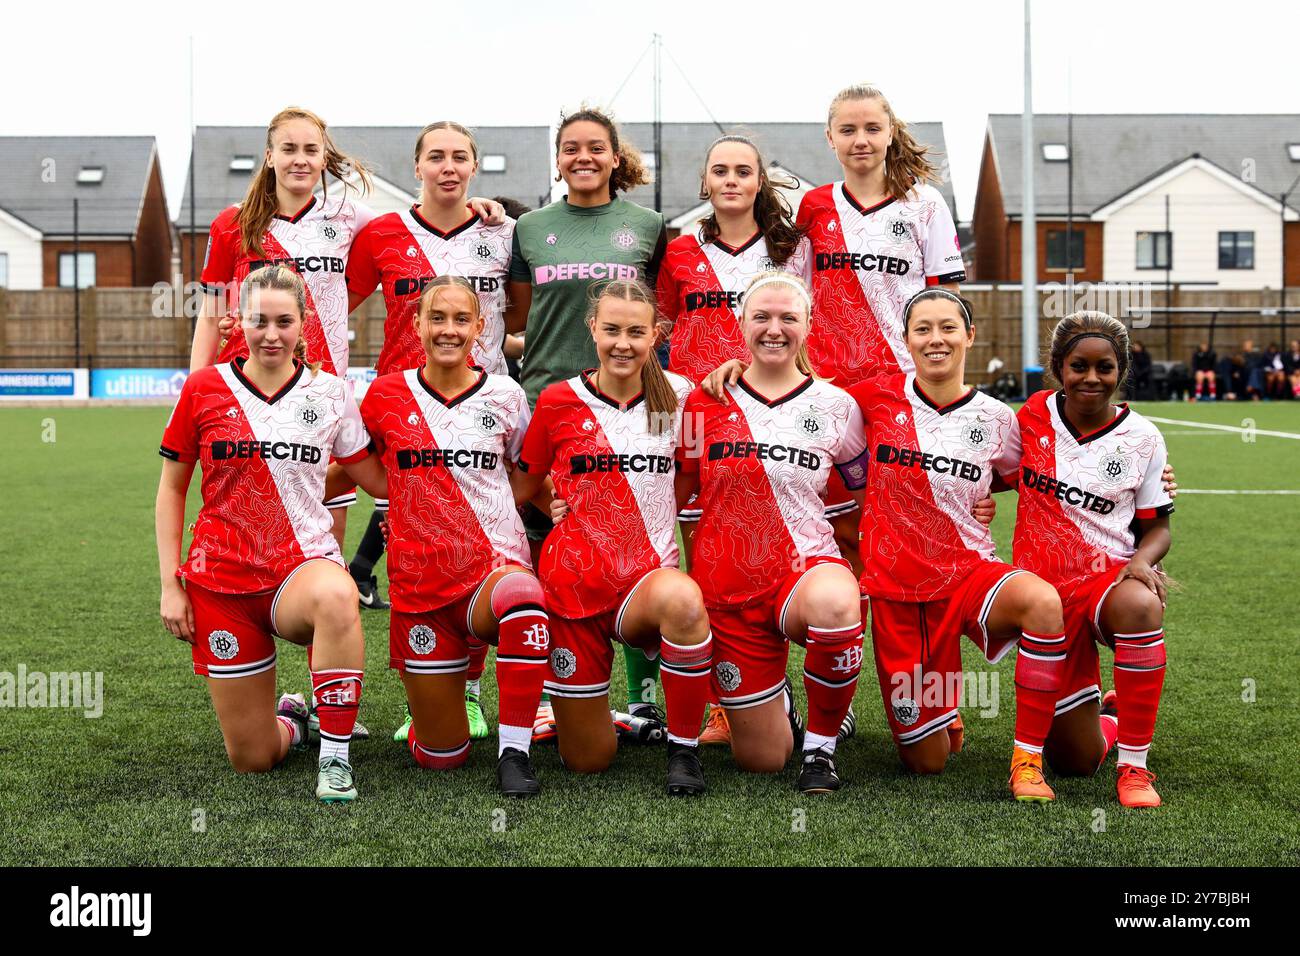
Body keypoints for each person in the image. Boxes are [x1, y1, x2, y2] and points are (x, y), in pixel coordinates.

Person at [157, 265, 388, 802]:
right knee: (253, 759)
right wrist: (172, 585)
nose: (271, 333)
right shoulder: (203, 388)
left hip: (300, 568)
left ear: (303, 324)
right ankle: (295, 723)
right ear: (238, 321)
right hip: (222, 579)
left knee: (337, 593)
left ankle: (335, 760)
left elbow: (371, 476)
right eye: (259, 320)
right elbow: (171, 490)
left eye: (284, 321)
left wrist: (461, 471)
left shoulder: (330, 393)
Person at [844, 289, 1068, 794]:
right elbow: (803, 402)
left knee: (1041, 602)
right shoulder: (872, 398)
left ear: (969, 335)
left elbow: (1029, 476)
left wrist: (1151, 479)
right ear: (906, 340)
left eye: (948, 327)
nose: (935, 339)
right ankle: (941, 711)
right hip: (899, 593)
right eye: (922, 329)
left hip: (969, 576)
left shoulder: (996, 418)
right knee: (928, 763)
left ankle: (1027, 761)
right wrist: (729, 371)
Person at [343, 121, 517, 739]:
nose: (448, 166)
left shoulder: (503, 234)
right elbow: (333, 306)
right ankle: (426, 683)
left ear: (474, 167)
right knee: (420, 545)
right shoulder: (382, 233)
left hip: (483, 407)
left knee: (484, 544)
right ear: (416, 166)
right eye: (435, 157)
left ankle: (471, 691)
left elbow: (519, 316)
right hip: (403, 410)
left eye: (460, 157)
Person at [506, 106, 669, 740]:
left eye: (595, 148)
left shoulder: (649, 225)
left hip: (635, 403)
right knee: (554, 549)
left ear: (613, 155)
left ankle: (646, 696)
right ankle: (555, 693)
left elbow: (663, 312)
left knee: (638, 546)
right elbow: (522, 316)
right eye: (571, 148)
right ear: (558, 158)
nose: (583, 157)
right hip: (551, 402)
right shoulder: (529, 228)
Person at [357, 276, 553, 797]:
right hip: (420, 586)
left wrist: (567, 508)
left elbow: (528, 472)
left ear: (480, 327)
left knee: (524, 598)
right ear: (416, 325)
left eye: (461, 319)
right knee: (442, 757)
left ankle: (515, 751)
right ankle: (454, 698)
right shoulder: (384, 396)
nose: (449, 330)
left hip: (492, 569)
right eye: (437, 318)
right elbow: (358, 466)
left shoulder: (507, 394)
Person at [513, 280, 711, 794]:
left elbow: (687, 475)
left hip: (647, 583)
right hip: (573, 587)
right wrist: (552, 500)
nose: (623, 343)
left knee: (685, 600)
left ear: (656, 335)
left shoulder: (680, 398)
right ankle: (621, 719)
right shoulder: (558, 400)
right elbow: (527, 478)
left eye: (637, 332)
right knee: (588, 761)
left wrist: (653, 509)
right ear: (592, 330)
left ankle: (684, 751)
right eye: (612, 330)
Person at [683, 272, 870, 794]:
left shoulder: (837, 406)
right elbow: (658, 477)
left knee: (836, 603)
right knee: (762, 760)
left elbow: (869, 492)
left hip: (803, 569)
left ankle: (821, 751)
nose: (774, 329)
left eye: (788, 318)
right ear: (740, 323)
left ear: (808, 326)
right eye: (761, 317)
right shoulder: (700, 401)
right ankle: (782, 703)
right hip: (727, 588)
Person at [655, 133, 813, 746]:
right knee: (703, 560)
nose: (730, 181)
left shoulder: (789, 250)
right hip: (697, 418)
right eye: (719, 170)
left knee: (776, 555)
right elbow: (661, 332)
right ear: (704, 181)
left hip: (770, 419)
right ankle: (721, 699)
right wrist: (660, 409)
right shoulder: (679, 251)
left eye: (742, 171)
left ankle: (779, 690)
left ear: (758, 182)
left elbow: (806, 328)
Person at [796, 84, 966, 576]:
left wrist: (943, 385)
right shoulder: (814, 207)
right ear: (830, 138)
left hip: (901, 386)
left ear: (891, 133)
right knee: (839, 523)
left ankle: (910, 634)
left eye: (872, 128)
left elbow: (946, 302)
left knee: (907, 516)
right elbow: (795, 297)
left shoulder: (924, 204)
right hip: (827, 389)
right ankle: (848, 633)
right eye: (848, 130)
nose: (861, 140)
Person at [1013, 311, 1174, 808]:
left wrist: (1144, 560)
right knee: (1078, 760)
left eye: (1105, 367)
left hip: (1105, 582)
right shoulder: (1030, 417)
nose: (1091, 378)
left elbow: (1159, 527)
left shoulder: (1143, 438)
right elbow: (990, 467)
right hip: (1044, 599)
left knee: (1141, 606)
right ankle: (1111, 716)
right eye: (1078, 366)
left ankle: (1135, 769)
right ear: (1059, 368)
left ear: (1120, 370)